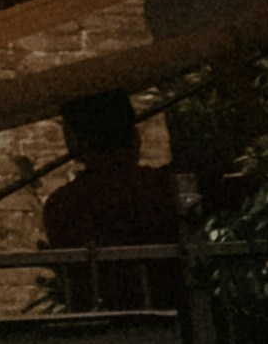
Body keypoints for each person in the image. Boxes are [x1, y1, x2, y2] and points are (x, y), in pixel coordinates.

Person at [37, 88, 187, 311]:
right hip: (176, 311)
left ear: (73, 142)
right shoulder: (165, 188)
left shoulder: (63, 205)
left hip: (103, 322)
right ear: (135, 138)